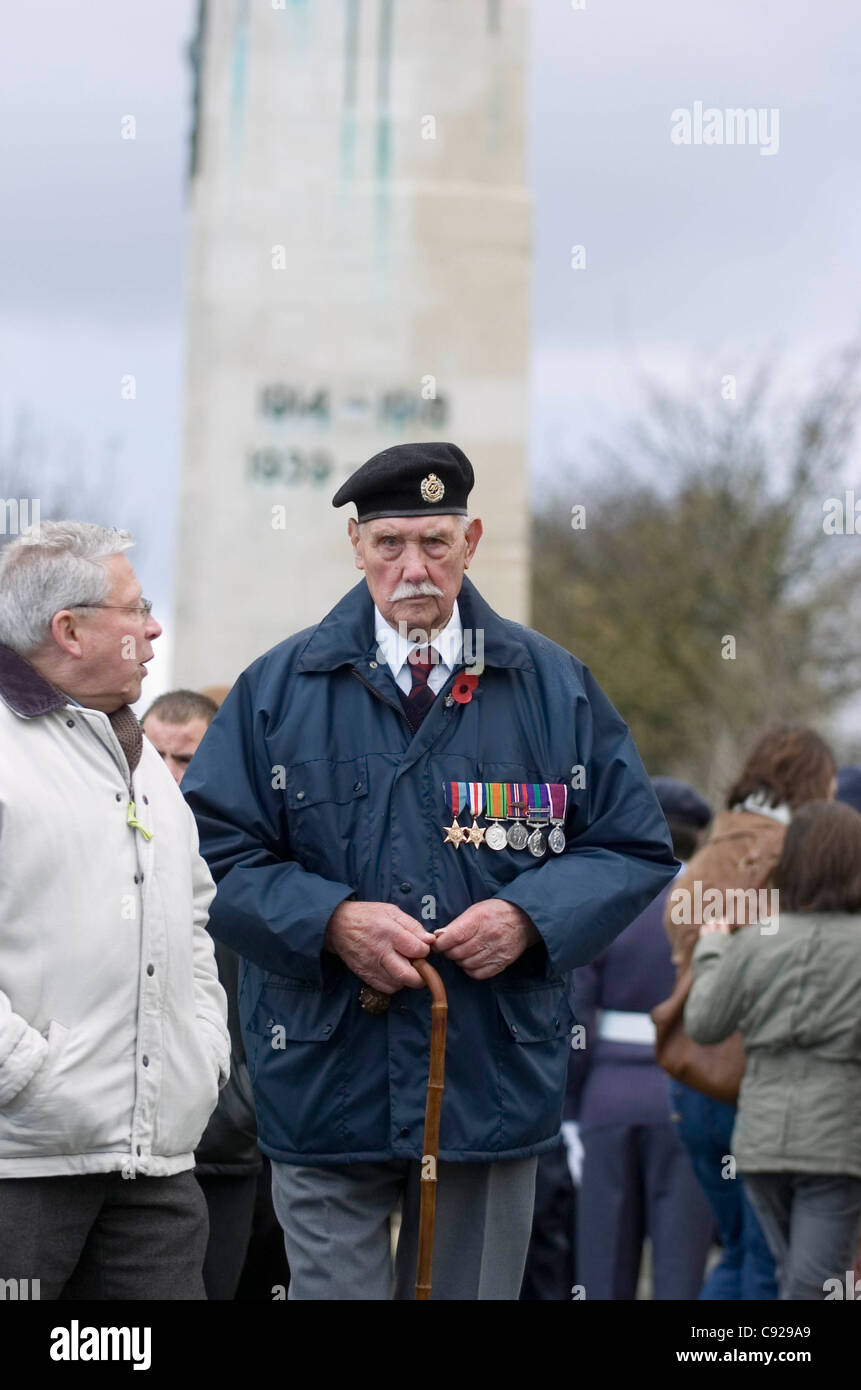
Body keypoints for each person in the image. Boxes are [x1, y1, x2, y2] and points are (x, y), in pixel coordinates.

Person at [182, 440, 678, 1301]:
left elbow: (631, 844)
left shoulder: (552, 688)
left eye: (435, 543)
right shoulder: (278, 691)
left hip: (484, 1073)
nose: (413, 568)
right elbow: (209, 854)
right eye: (389, 545)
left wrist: (532, 918)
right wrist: (330, 921)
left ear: (471, 541)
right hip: (324, 1070)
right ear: (356, 547)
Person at [0, 522, 229, 1300]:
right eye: (136, 609)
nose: (154, 626)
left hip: (156, 1168)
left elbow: (193, 920)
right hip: (22, 1165)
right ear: (68, 629)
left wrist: (202, 1056)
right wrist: (27, 1078)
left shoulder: (142, 762)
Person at [663, 725, 837, 1300]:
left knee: (736, 1248)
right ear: (812, 782)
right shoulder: (793, 854)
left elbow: (682, 938)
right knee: (769, 1259)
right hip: (759, 1079)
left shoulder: (710, 849)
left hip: (692, 1071)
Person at [685, 800, 861, 1300]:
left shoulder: (759, 938)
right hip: (837, 1142)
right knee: (816, 1287)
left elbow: (704, 1023)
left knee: (794, 1278)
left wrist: (713, 947)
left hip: (760, 1141)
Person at [568, 777, 715, 1299]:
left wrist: (570, 1109)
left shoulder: (610, 898)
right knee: (681, 1270)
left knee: (603, 1269)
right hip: (690, 1094)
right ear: (700, 837)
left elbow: (578, 1012)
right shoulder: (718, 907)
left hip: (607, 1096)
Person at [142, 689, 263, 1301]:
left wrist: (238, 1094)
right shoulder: (116, 841)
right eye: (154, 752)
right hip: (133, 1141)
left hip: (232, 1138)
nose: (167, 773)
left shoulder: (251, 853)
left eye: (184, 758)